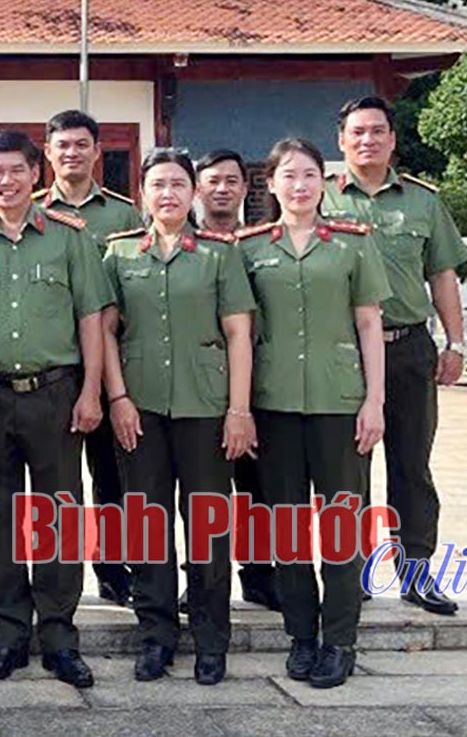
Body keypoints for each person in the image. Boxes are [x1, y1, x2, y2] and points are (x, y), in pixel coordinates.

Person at [0, 128, 108, 688]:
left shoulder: (69, 239)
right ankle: (7, 632)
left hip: (56, 392)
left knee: (60, 513)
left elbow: (92, 318)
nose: (7, 180)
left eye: (18, 170)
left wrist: (92, 391)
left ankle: (60, 636)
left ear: (36, 175)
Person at [240, 137, 390, 690]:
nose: (299, 186)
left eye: (309, 175)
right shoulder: (249, 248)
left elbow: (370, 323)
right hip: (274, 403)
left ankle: (340, 640)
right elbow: (242, 332)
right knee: (287, 528)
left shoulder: (351, 244)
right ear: (271, 184)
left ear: (323, 183)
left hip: (338, 403)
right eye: (288, 176)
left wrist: (375, 400)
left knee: (341, 526)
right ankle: (301, 636)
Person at [102, 149, 257, 685]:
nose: (168, 194)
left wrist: (239, 409)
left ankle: (212, 640)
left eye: (177, 185)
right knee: (147, 525)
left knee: (210, 527)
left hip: (207, 409)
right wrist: (117, 399)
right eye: (157, 185)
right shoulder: (118, 255)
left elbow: (239, 333)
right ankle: (156, 637)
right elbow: (105, 331)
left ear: (192, 194)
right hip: (140, 409)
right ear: (141, 195)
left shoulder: (218, 255)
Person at [321, 96, 467, 616]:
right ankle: (352, 573)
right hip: (341, 352)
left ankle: (416, 571)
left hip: (407, 347)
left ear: (392, 140)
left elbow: (443, 275)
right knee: (346, 469)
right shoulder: (320, 200)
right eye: (357, 133)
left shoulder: (424, 202)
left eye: (377, 132)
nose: (367, 141)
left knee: (411, 464)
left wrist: (455, 342)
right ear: (341, 141)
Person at [36, 109, 141, 608]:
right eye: (63, 145)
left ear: (97, 151)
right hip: (52, 366)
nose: (72, 153)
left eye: (82, 144)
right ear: (48, 152)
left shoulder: (122, 215)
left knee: (114, 472)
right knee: (57, 479)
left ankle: (116, 568)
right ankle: (57, 577)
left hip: (113, 362)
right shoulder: (33, 211)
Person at [194, 149, 280, 613]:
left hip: (258, 380)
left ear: (247, 189)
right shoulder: (183, 243)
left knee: (257, 483)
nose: (222, 188)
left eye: (231, 180)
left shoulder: (261, 244)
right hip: (198, 384)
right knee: (202, 490)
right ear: (198, 189)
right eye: (213, 181)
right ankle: (201, 580)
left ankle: (260, 573)